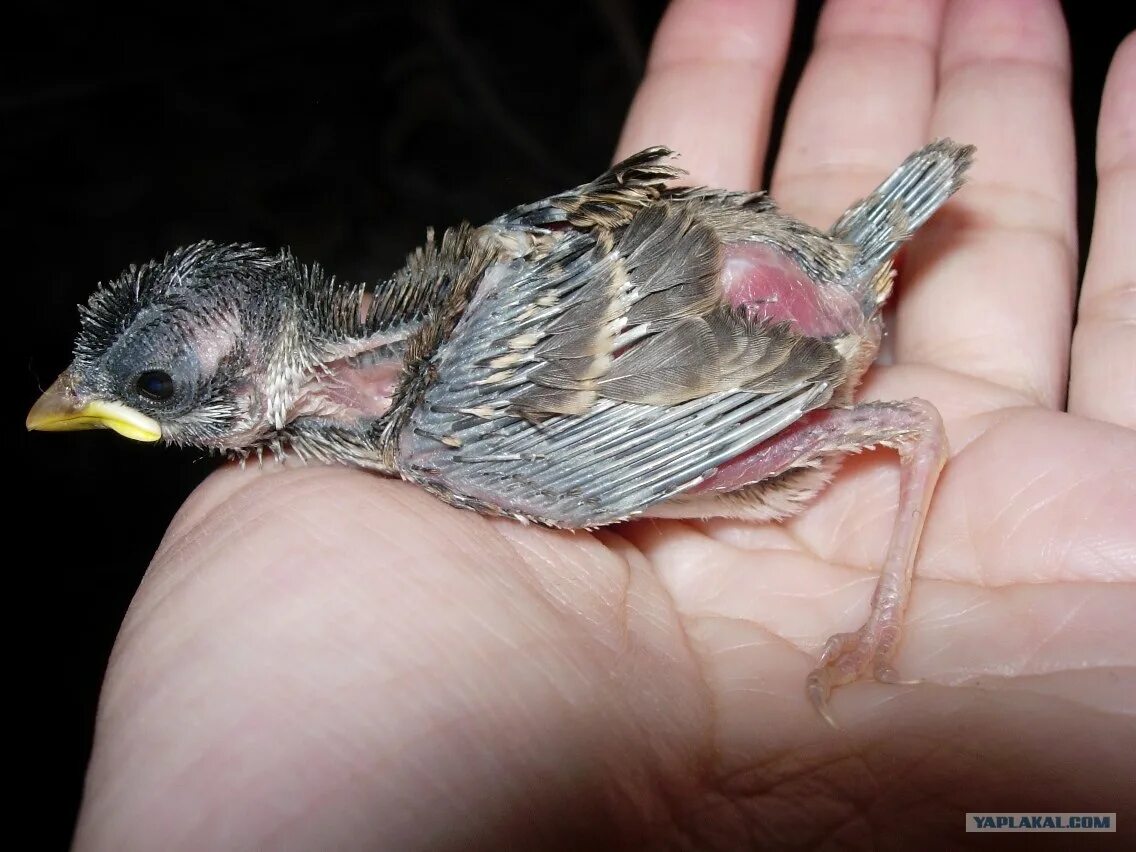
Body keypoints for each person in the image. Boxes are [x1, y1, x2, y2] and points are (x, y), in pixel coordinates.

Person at [73, 1, 1134, 848]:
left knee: (864, 429)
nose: (89, 405)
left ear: (253, 370)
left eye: (156, 389)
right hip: (768, 291)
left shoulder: (427, 430)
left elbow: (670, 405)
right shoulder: (419, 370)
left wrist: (803, 351)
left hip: (776, 318)